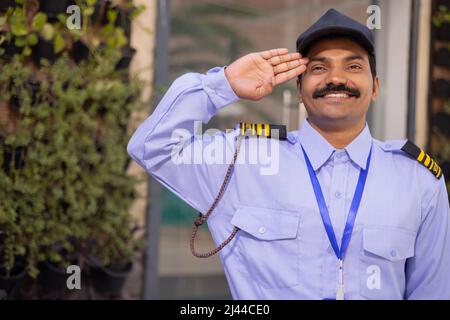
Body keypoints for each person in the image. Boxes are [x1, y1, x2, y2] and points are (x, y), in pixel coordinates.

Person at [127, 8, 450, 299]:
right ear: (298, 88)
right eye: (319, 67)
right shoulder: (243, 162)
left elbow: (432, 292)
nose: (336, 78)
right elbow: (153, 148)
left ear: (375, 86)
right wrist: (223, 85)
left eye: (353, 66)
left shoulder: (418, 182)